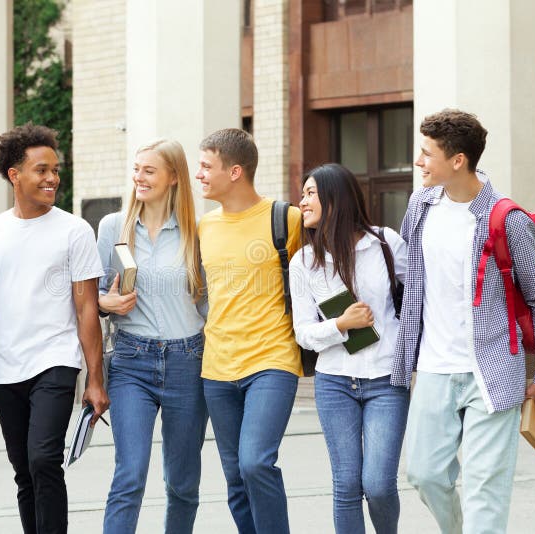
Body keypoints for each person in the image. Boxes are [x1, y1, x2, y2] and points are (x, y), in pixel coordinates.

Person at [392, 109, 535, 533]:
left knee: (485, 488)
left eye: (426, 153)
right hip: (433, 368)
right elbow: (407, 278)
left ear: (458, 161)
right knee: (425, 474)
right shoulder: (420, 206)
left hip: (492, 370)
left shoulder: (508, 221)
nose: (418, 162)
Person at [0, 124, 109, 534]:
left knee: (44, 458)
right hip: (4, 363)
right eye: (41, 170)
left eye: (55, 169)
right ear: (15, 175)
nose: (52, 178)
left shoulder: (74, 230)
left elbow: (86, 307)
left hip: (55, 359)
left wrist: (95, 380)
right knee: (23, 470)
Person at [289, 163, 409, 534]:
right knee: (345, 485)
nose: (302, 202)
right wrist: (342, 325)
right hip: (335, 382)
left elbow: (420, 298)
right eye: (303, 193)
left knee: (378, 484)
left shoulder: (387, 243)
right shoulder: (304, 262)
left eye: (310, 194)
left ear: (334, 198)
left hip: (386, 377)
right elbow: (304, 333)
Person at [97, 139, 209, 534]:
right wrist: (106, 302)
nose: (138, 177)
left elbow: (210, 303)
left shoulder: (199, 232)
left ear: (173, 178)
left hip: (188, 362)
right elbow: (92, 294)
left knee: (182, 483)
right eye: (137, 168)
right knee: (130, 475)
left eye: (149, 170)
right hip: (131, 361)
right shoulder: (114, 226)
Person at [196, 128, 302, 533]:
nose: (200, 175)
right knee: (235, 480)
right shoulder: (206, 226)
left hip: (272, 359)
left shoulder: (286, 219)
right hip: (217, 367)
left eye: (207, 166)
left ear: (235, 171)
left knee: (256, 461)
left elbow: (321, 277)